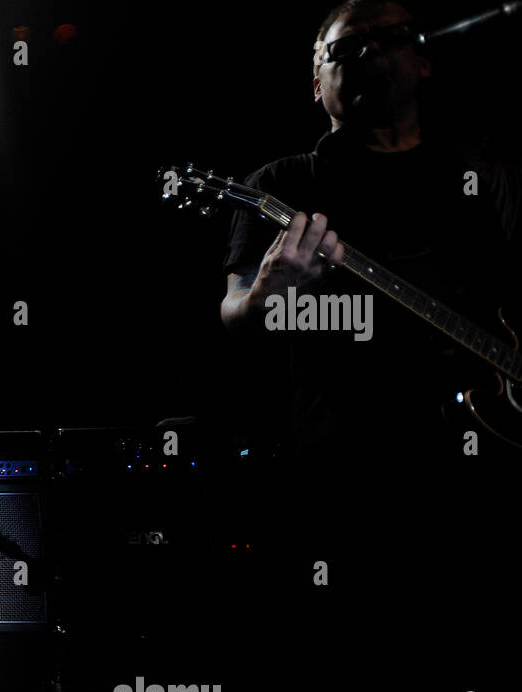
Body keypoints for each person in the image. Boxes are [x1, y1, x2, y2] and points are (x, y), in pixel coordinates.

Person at [218, 0, 517, 639]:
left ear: (423, 60)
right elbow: (235, 310)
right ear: (316, 85)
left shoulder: (480, 176)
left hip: (489, 469)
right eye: (345, 49)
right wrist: (270, 292)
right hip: (351, 481)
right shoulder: (284, 184)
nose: (369, 55)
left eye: (386, 41)